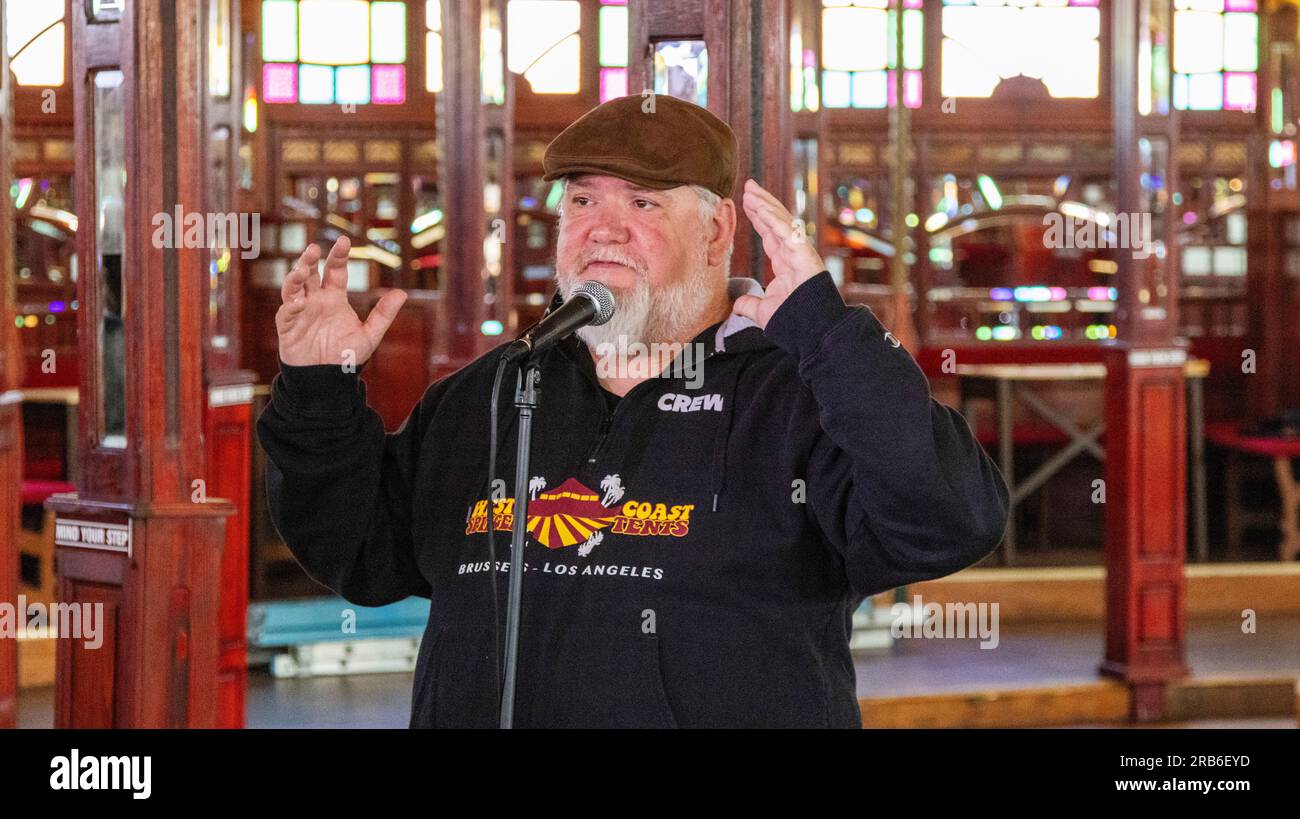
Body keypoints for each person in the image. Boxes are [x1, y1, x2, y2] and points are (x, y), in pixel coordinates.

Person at [256, 94, 1009, 728]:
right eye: (583, 201)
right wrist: (319, 390)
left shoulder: (799, 395)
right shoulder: (493, 389)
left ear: (716, 232)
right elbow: (360, 554)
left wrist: (827, 336)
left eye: (642, 202)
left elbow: (950, 519)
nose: (602, 228)